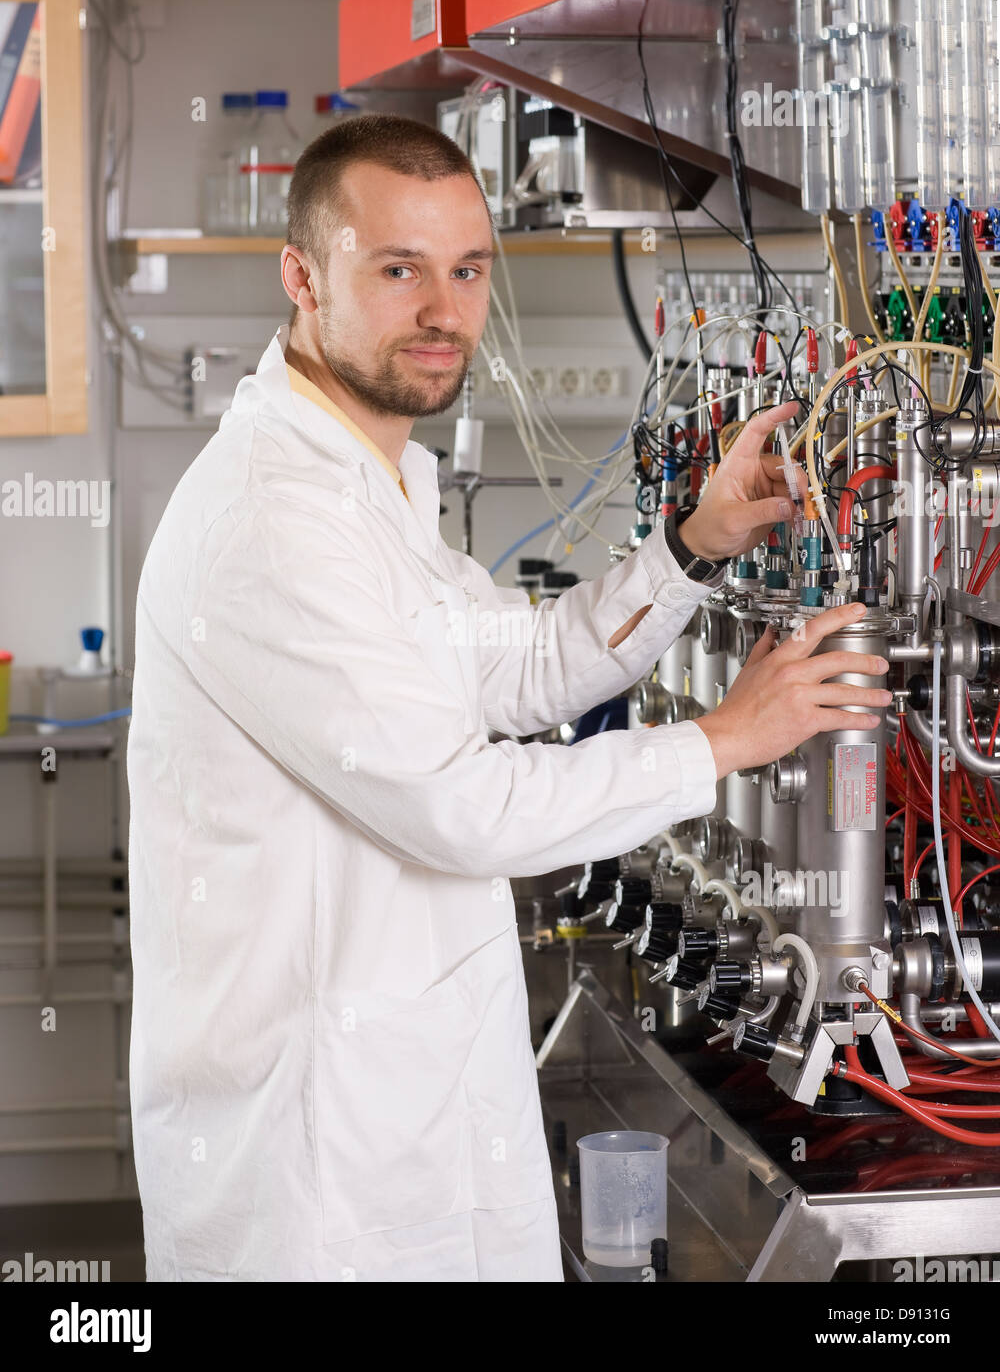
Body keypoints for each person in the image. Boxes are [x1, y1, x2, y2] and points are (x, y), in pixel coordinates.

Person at [126, 114, 891, 1282]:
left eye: (468, 269)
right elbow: (463, 807)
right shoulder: (272, 522)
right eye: (398, 270)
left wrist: (694, 546)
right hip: (318, 1182)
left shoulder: (365, 485)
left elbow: (515, 665)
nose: (443, 311)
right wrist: (724, 740)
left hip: (397, 1128)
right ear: (301, 276)